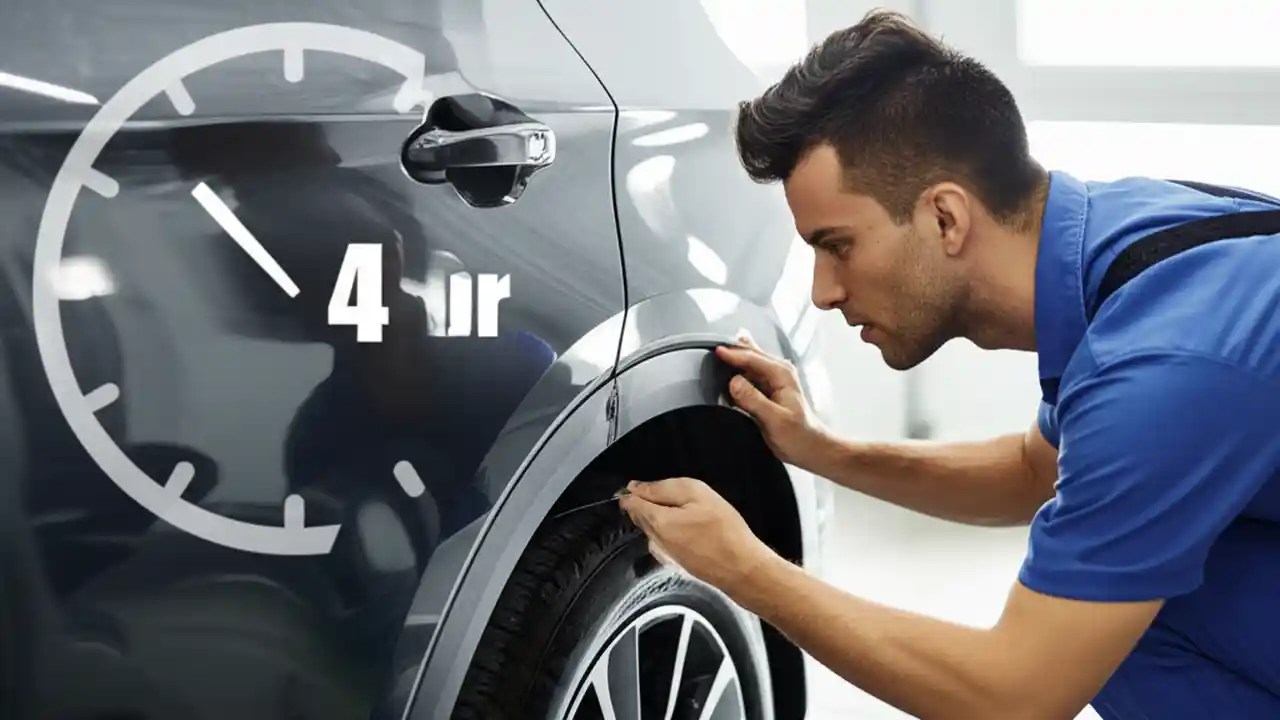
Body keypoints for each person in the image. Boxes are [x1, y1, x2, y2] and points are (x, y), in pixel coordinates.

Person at [618, 10, 1280, 720]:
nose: (823, 291)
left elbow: (1014, 697)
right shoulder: (1126, 241)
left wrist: (747, 572)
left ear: (945, 218)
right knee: (1112, 588)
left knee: (1101, 620)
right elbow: (1035, 471)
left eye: (837, 246)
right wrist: (821, 451)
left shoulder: (1164, 367)